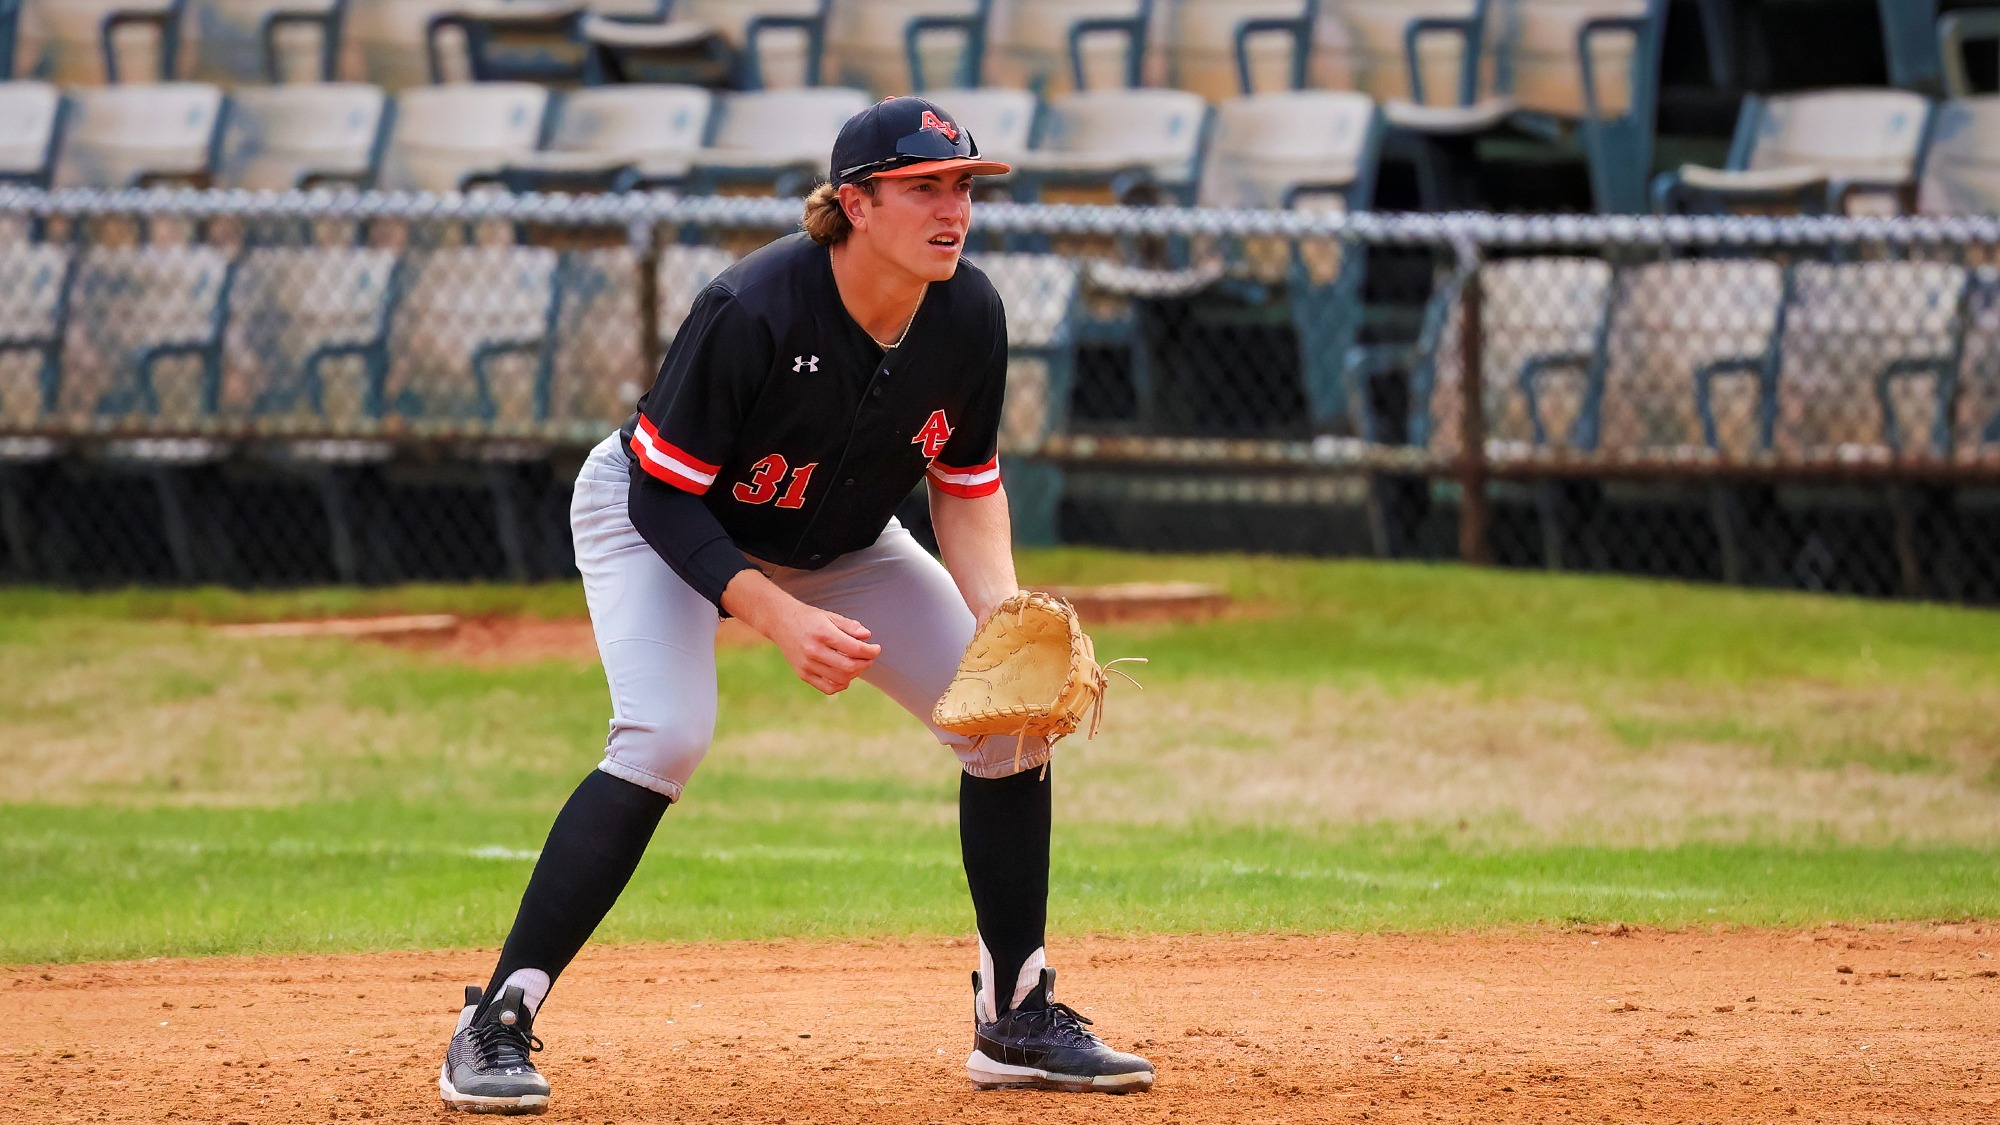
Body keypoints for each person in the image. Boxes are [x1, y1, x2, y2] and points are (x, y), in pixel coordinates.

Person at [437, 96, 1155, 1114]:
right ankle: (494, 1018)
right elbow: (661, 492)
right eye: (922, 188)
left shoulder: (970, 314)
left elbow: (965, 482)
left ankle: (1017, 1013)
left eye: (962, 186)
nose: (953, 208)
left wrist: (1001, 613)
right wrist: (774, 616)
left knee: (1008, 724)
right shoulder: (756, 306)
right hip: (658, 517)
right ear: (854, 203)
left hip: (841, 539)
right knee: (664, 733)